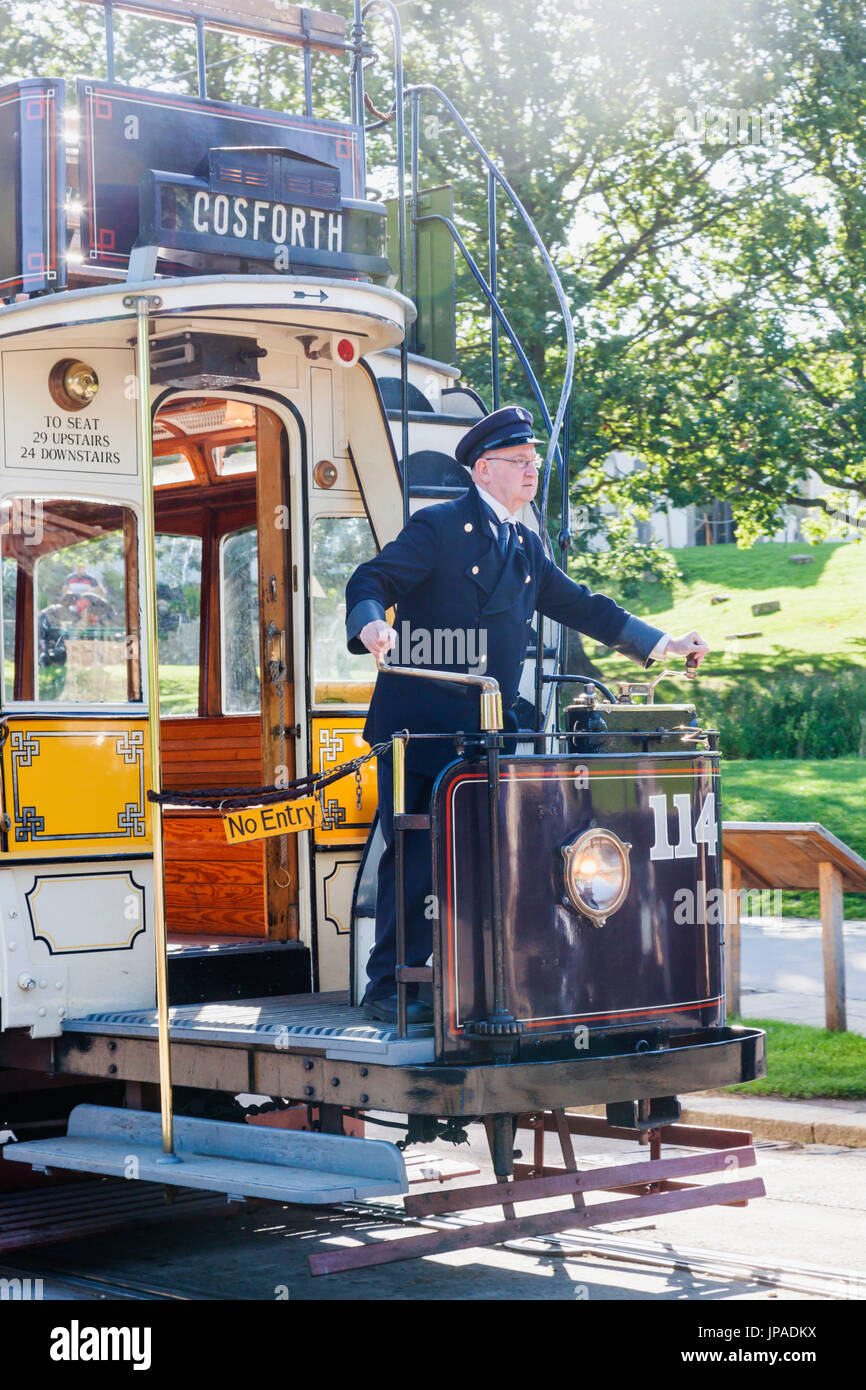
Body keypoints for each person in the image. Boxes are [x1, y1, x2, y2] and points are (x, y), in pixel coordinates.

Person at [345, 406, 709, 1023]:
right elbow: (369, 579)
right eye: (520, 463)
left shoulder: (524, 541)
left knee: (491, 853)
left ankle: (480, 980)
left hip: (486, 733)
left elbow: (582, 605)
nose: (532, 472)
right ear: (484, 470)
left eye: (535, 463)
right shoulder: (437, 528)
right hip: (419, 728)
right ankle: (391, 985)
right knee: (413, 856)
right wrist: (373, 624)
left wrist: (662, 644)